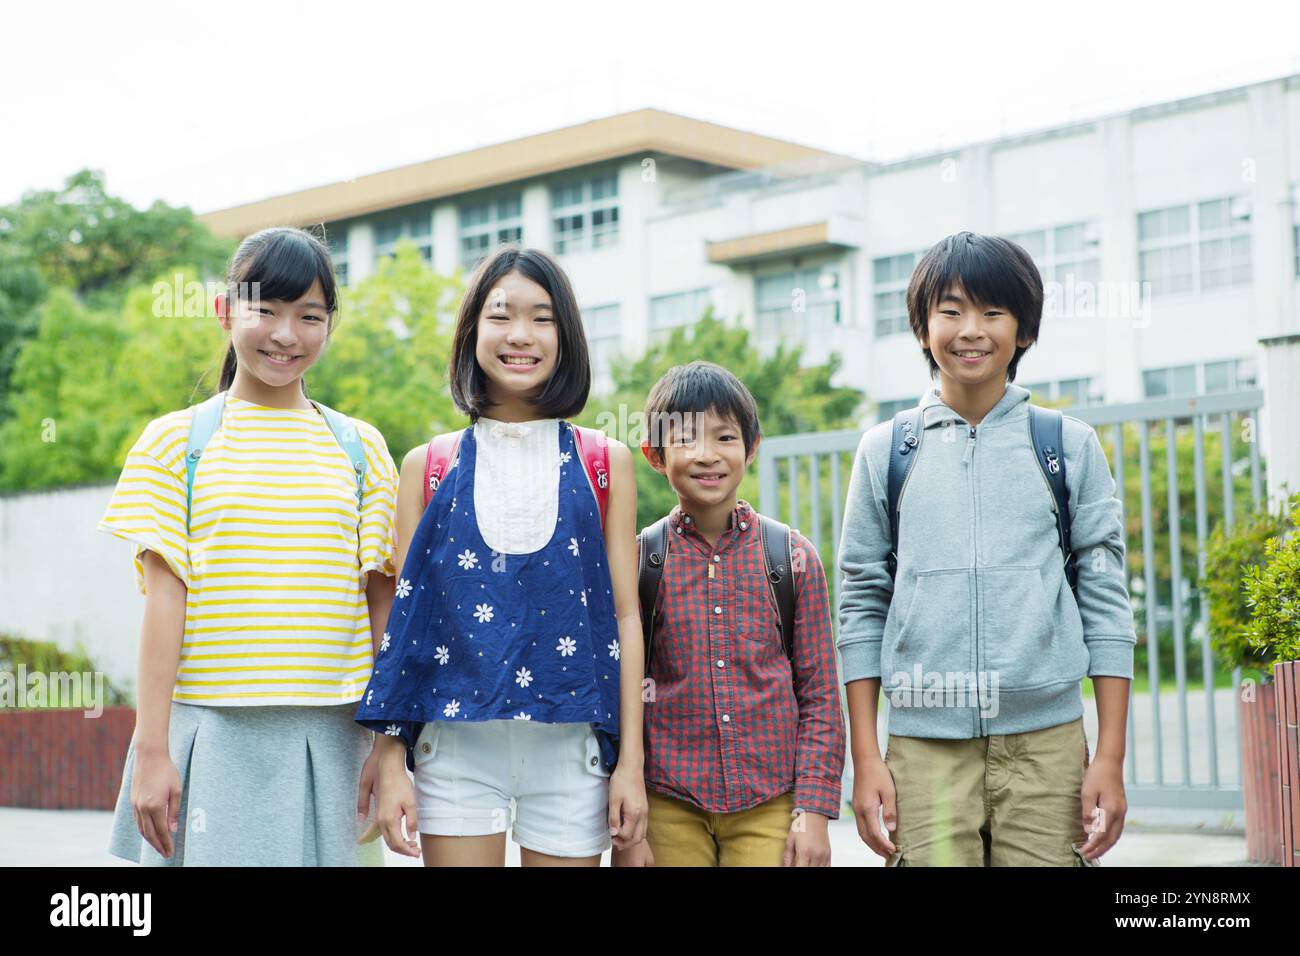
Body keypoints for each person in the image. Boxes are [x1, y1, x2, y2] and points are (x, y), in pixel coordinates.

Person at [98, 227, 399, 866]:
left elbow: (385, 612)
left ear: (329, 325)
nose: (286, 334)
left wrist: (390, 749)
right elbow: (163, 603)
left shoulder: (362, 449)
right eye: (265, 310)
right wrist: (151, 749)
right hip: (207, 732)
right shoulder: (173, 443)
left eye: (309, 316)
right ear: (225, 311)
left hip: (333, 738)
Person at [839, 231, 1135, 866]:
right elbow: (861, 606)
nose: (970, 330)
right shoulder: (886, 451)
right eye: (950, 310)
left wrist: (1108, 756)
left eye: (992, 312)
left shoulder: (1068, 446)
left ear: (1023, 330)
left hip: (1046, 743)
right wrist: (867, 757)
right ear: (923, 328)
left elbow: (1107, 602)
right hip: (923, 747)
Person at [356, 247, 647, 866]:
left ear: (566, 336)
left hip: (573, 750)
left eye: (542, 318)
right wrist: (390, 760)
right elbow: (407, 628)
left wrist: (632, 768)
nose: (521, 335)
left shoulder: (605, 462)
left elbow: (625, 619)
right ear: (472, 332)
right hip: (453, 750)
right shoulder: (427, 465)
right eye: (501, 316)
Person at [615, 361, 845, 867]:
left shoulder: (791, 557)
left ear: (752, 447)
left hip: (772, 803)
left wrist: (813, 813)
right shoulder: (638, 561)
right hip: (669, 802)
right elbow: (619, 696)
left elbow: (821, 696)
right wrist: (631, 836)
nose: (707, 456)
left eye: (725, 437)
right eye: (687, 440)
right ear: (655, 454)